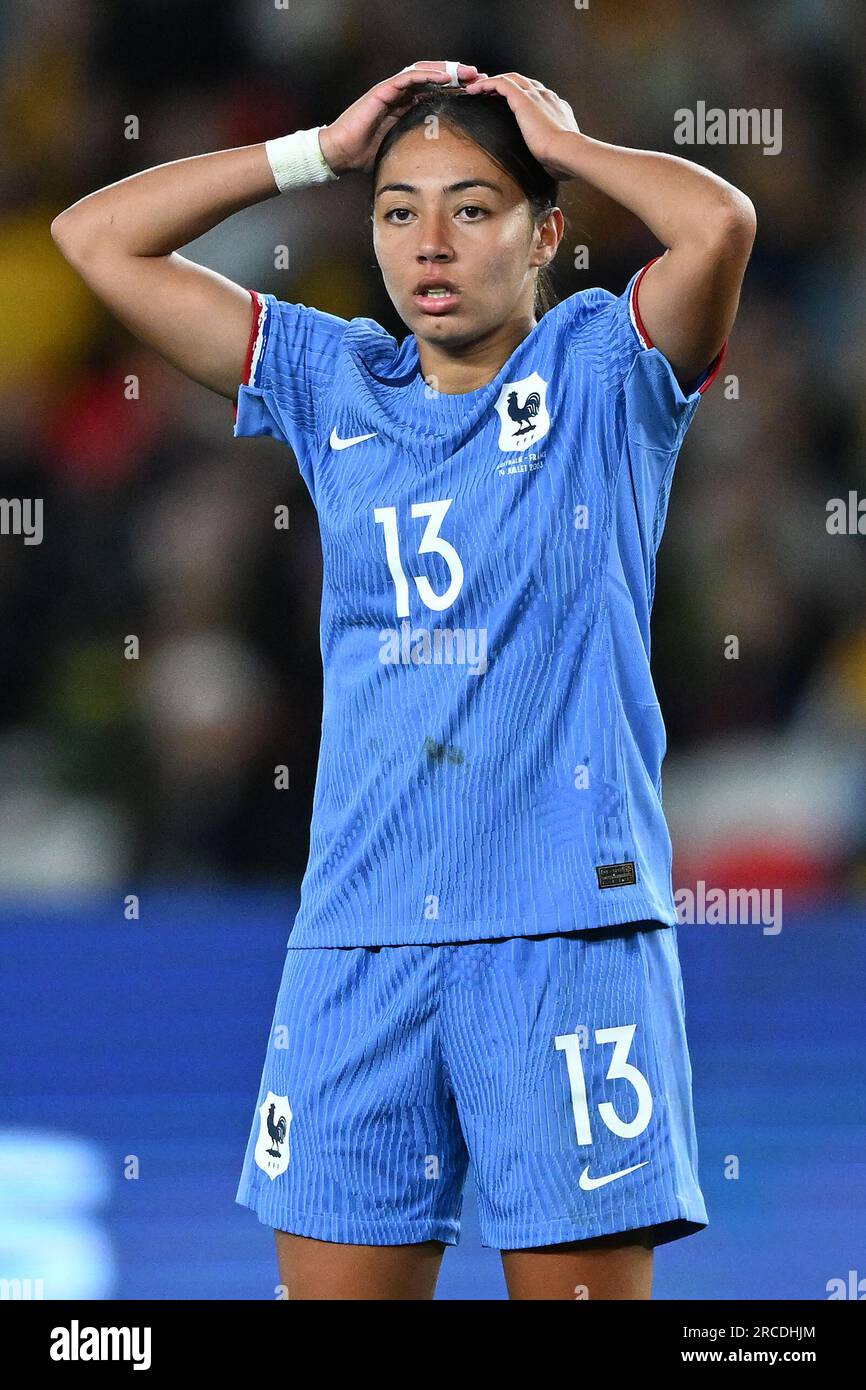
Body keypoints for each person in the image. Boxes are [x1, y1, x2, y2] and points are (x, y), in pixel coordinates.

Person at [51, 58, 756, 1300]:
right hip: (356, 941)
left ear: (545, 233)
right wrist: (310, 150)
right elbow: (96, 239)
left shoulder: (603, 372)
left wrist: (567, 142)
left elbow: (717, 222)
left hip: (563, 935)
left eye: (473, 207)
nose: (428, 242)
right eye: (395, 209)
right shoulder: (335, 382)